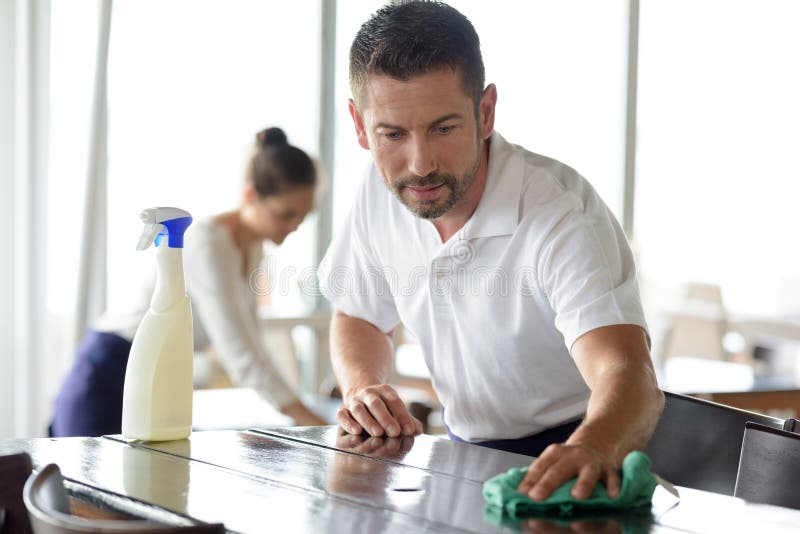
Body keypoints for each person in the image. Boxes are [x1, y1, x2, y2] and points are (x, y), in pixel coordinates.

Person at [317, 1, 665, 502]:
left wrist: (593, 445)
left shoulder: (558, 212)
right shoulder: (378, 192)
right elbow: (359, 315)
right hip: (462, 457)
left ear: (485, 112)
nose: (419, 164)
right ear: (358, 124)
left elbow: (628, 374)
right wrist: (363, 387)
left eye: (444, 128)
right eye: (392, 134)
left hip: (585, 450)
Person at [52, 127, 327, 437]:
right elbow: (240, 353)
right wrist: (312, 421)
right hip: (113, 371)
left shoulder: (252, 248)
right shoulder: (207, 243)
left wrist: (302, 411)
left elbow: (252, 342)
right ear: (251, 195)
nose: (295, 226)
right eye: (286, 214)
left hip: (156, 380)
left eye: (304, 216)